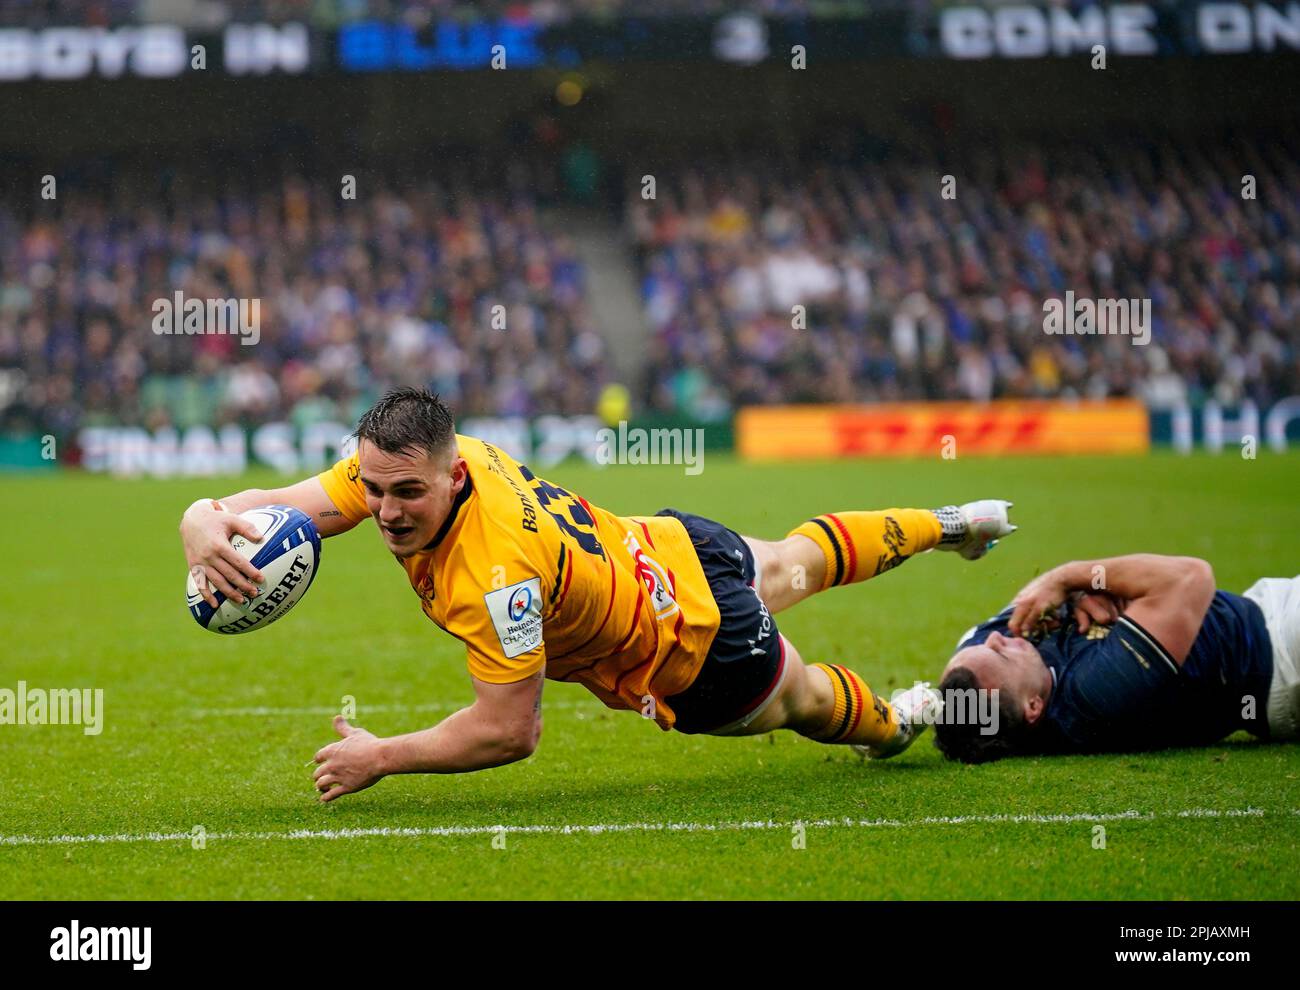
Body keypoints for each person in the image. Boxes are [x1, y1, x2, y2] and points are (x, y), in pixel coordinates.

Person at [180, 387, 1016, 801]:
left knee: (805, 699)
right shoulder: (434, 452)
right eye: (374, 489)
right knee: (803, 554)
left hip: (690, 656)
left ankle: (905, 719)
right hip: (667, 549)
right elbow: (297, 505)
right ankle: (956, 522)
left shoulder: (493, 579)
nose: (385, 512)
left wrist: (382, 756)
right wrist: (201, 518)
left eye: (406, 495)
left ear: (452, 475)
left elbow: (511, 732)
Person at [933, 553, 1299, 762]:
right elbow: (1191, 577)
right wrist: (1069, 578)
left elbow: (974, 655)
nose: (999, 637)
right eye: (1003, 654)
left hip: (1262, 609)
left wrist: (1080, 595)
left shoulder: (986, 676)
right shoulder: (1096, 692)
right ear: (1033, 707)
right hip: (1282, 657)